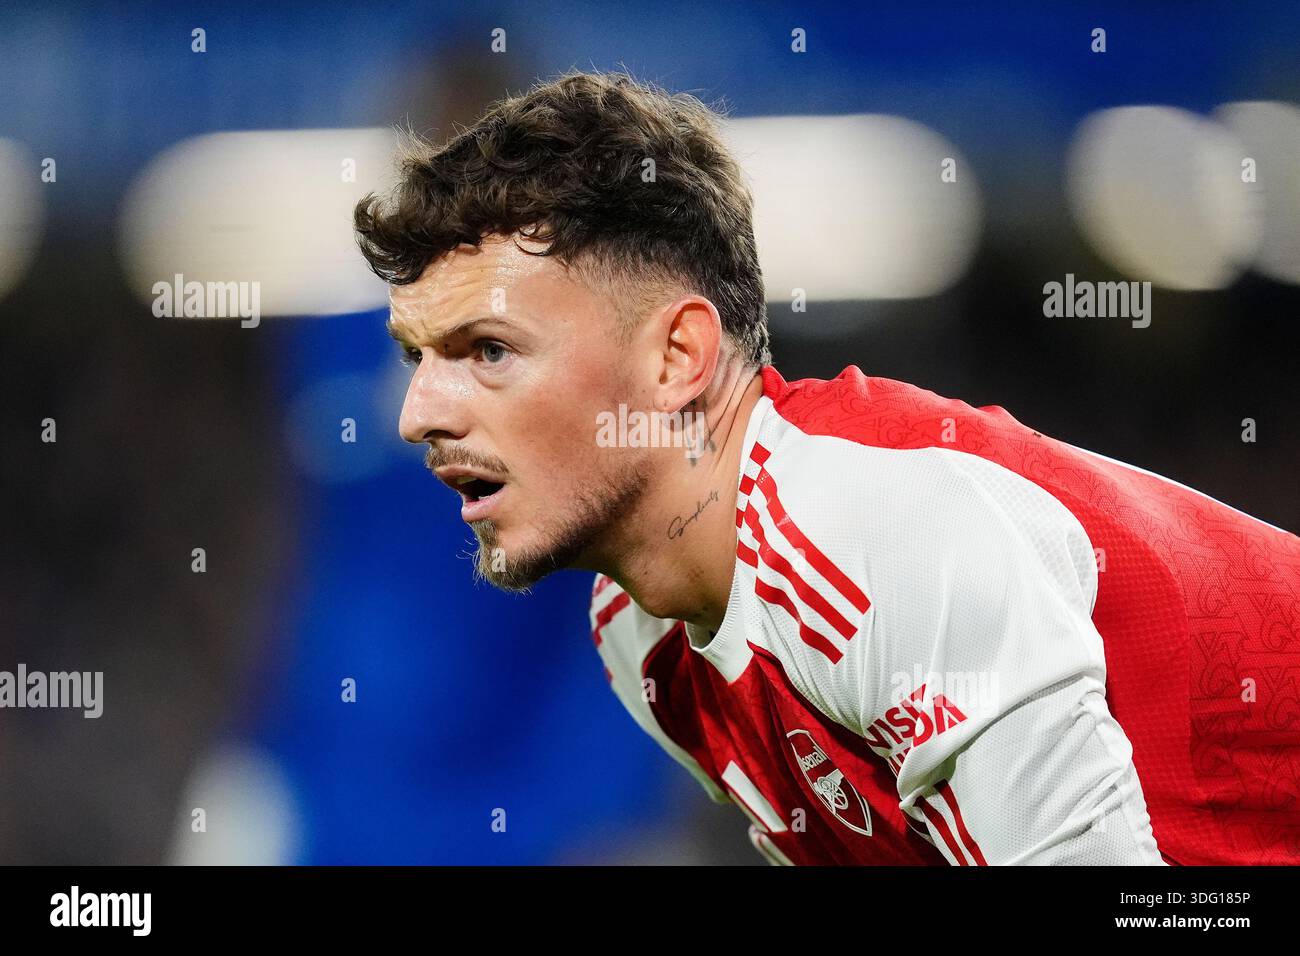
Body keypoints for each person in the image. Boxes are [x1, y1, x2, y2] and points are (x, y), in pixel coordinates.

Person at [357, 70, 1300, 865]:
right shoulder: (639, 637)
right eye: (417, 358)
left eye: (488, 351)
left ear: (678, 359)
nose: (416, 417)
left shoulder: (876, 538)